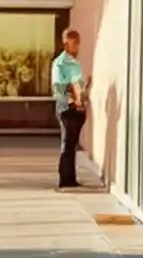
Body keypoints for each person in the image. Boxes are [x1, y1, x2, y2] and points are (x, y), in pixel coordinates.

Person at [51, 28, 88, 190]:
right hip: (66, 107)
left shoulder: (75, 63)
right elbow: (60, 88)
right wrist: (73, 97)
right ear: (66, 44)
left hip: (77, 108)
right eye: (75, 44)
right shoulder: (60, 63)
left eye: (78, 44)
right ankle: (64, 180)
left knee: (72, 145)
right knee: (67, 144)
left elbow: (77, 84)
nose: (77, 47)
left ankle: (71, 179)